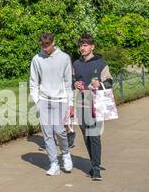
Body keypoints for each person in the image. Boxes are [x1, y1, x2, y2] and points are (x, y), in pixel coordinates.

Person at [29, 32, 74, 176]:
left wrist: (70, 103)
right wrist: (37, 101)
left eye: (47, 45)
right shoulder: (37, 59)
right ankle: (54, 163)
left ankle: (66, 154)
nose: (45, 49)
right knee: (47, 133)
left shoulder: (64, 58)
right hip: (44, 100)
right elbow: (33, 82)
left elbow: (68, 83)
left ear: (53, 42)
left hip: (60, 100)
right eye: (43, 46)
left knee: (59, 131)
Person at [72, 33, 113, 181]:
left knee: (94, 135)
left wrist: (99, 84)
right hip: (81, 103)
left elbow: (109, 82)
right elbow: (72, 80)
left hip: (96, 103)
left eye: (85, 45)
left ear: (92, 47)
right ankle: (93, 162)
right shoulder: (76, 64)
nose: (82, 48)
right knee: (86, 135)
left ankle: (96, 169)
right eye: (81, 45)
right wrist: (74, 84)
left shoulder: (101, 64)